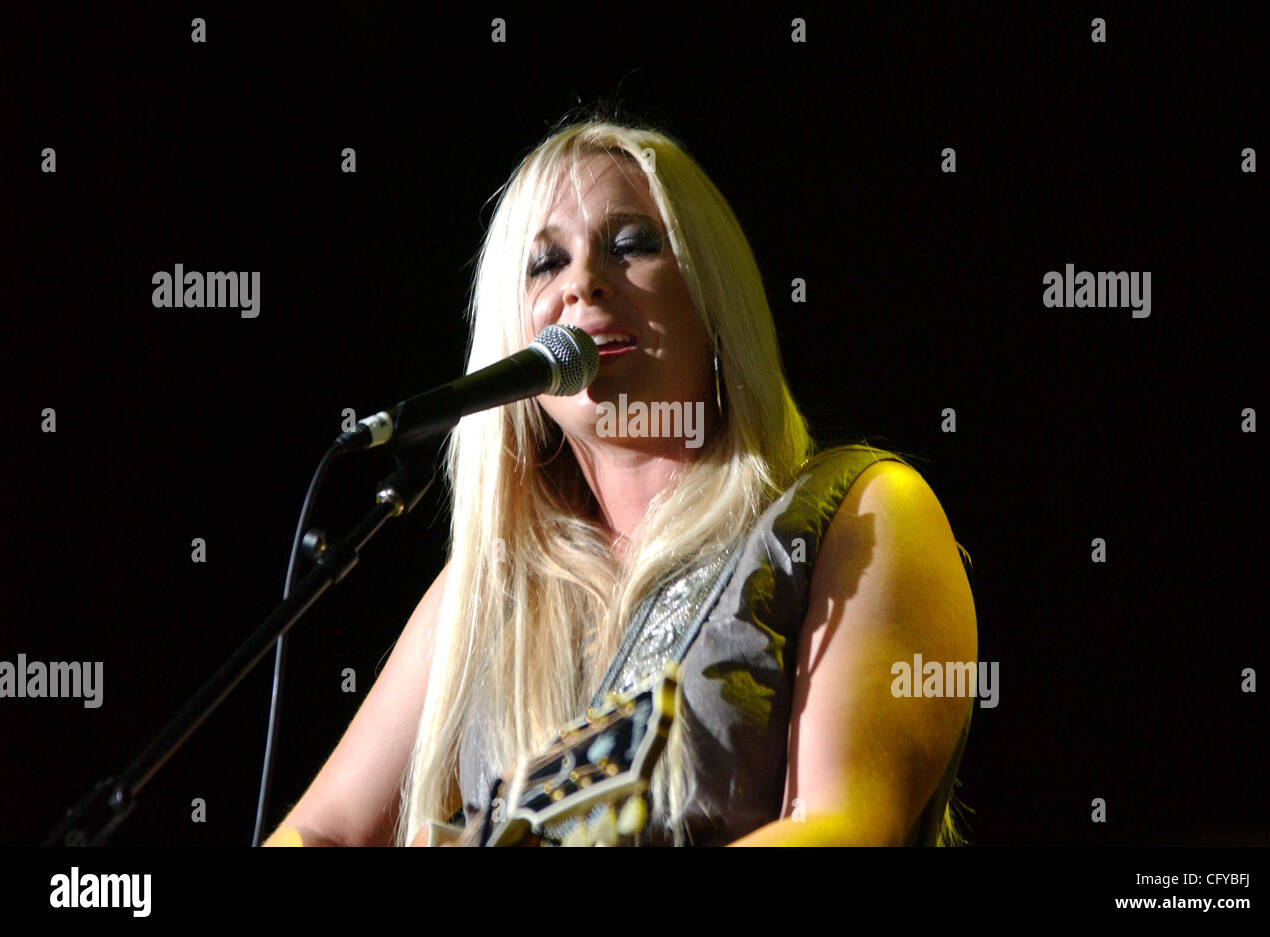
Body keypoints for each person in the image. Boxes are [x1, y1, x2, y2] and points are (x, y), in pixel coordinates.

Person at [264, 116, 978, 847]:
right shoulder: (484, 591)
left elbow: (845, 826)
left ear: (715, 297)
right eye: (545, 263)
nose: (582, 283)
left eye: (631, 244)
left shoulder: (860, 515)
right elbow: (320, 831)